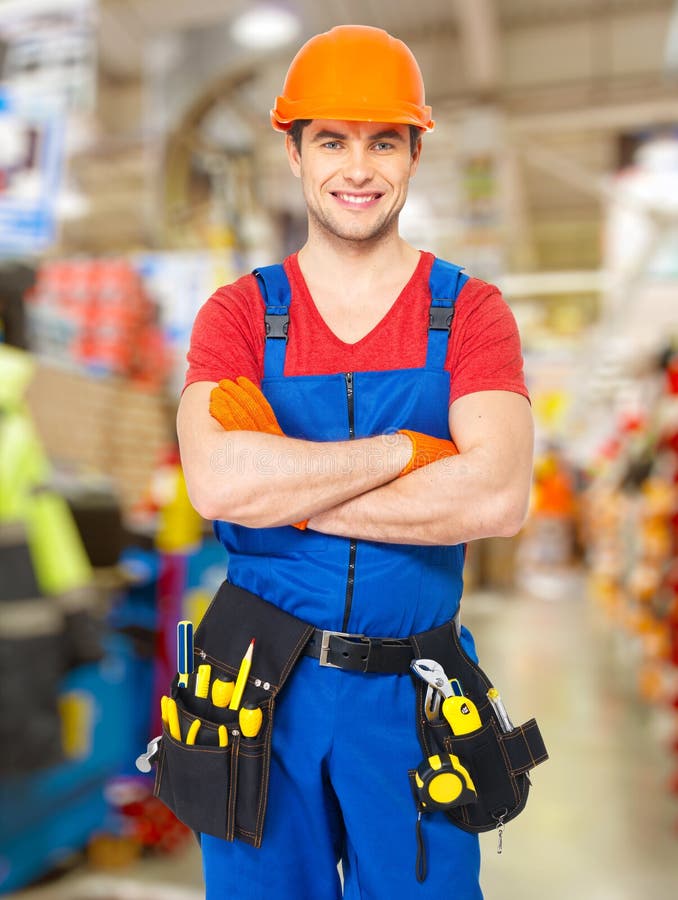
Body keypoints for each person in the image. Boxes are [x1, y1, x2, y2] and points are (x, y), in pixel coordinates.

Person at [177, 24, 533, 900]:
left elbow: (495, 496)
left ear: (415, 152)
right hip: (255, 693)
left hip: (412, 699)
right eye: (331, 140)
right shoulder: (239, 316)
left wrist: (281, 488)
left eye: (383, 140)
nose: (358, 167)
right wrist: (410, 454)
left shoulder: (471, 314)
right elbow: (215, 483)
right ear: (294, 154)